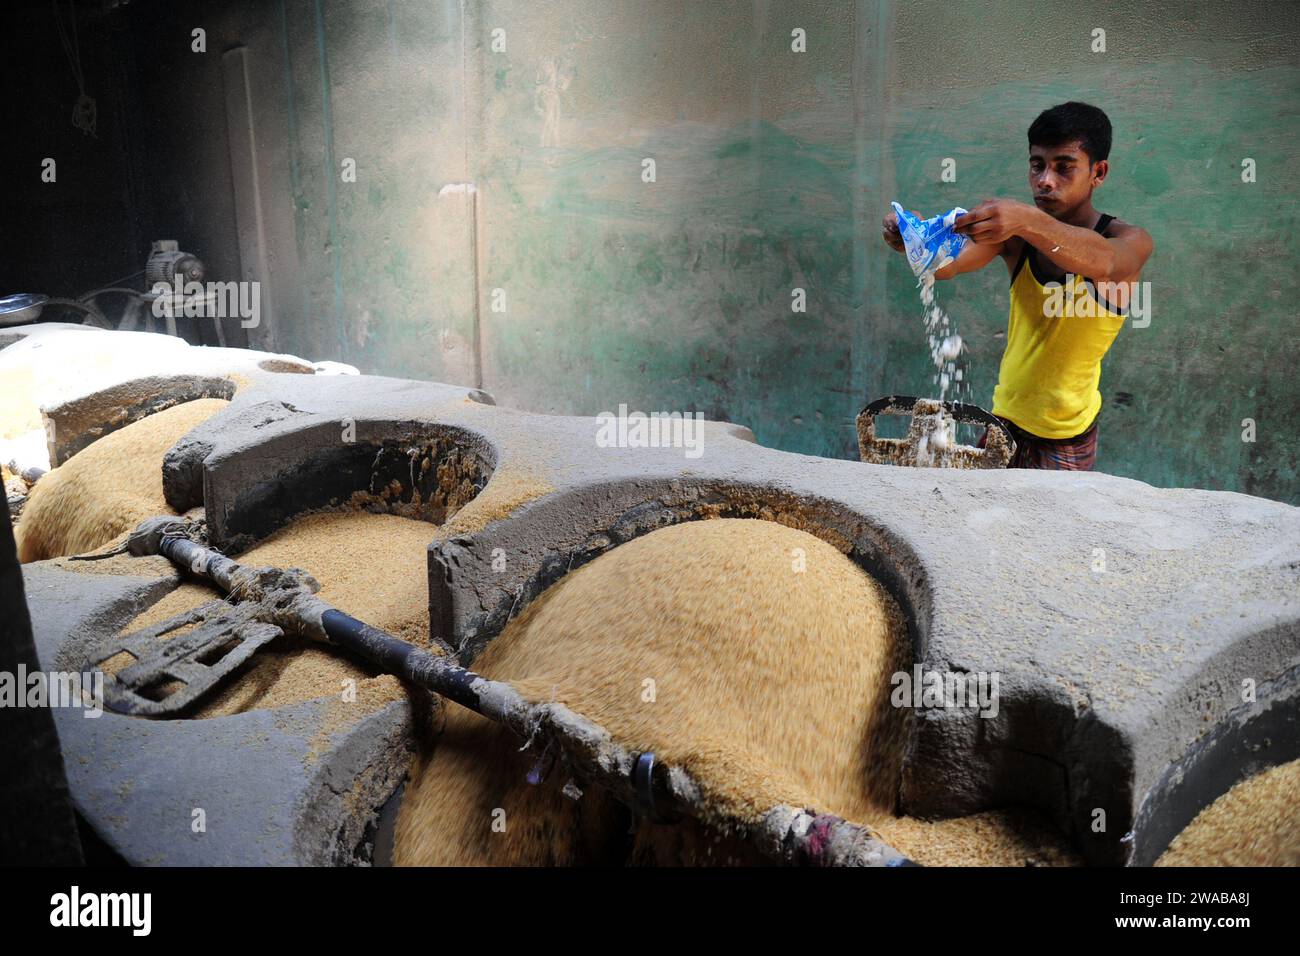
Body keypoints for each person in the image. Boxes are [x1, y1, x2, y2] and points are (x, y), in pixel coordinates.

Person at [882, 101, 1154, 470]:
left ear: (1098, 172)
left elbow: (1104, 262)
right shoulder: (1017, 238)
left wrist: (1027, 220)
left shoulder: (1129, 240)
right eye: (1037, 165)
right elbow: (946, 268)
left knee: (1051, 527)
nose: (1045, 180)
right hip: (1003, 422)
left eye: (1064, 167)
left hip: (1067, 434)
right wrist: (914, 242)